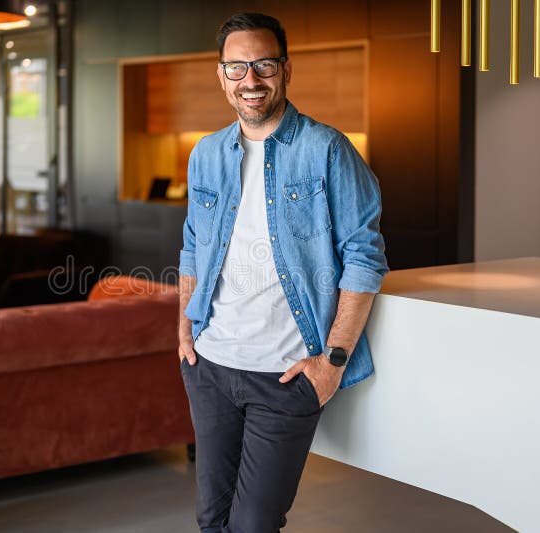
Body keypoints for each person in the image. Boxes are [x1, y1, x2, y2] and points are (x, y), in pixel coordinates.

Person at [177, 12, 389, 533]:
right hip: (210, 367)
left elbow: (365, 258)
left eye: (264, 65)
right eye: (237, 67)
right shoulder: (205, 154)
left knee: (252, 525)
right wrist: (184, 327)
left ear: (286, 70)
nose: (251, 80)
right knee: (212, 520)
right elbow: (192, 246)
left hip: (286, 375)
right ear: (221, 74)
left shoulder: (328, 150)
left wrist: (332, 361)